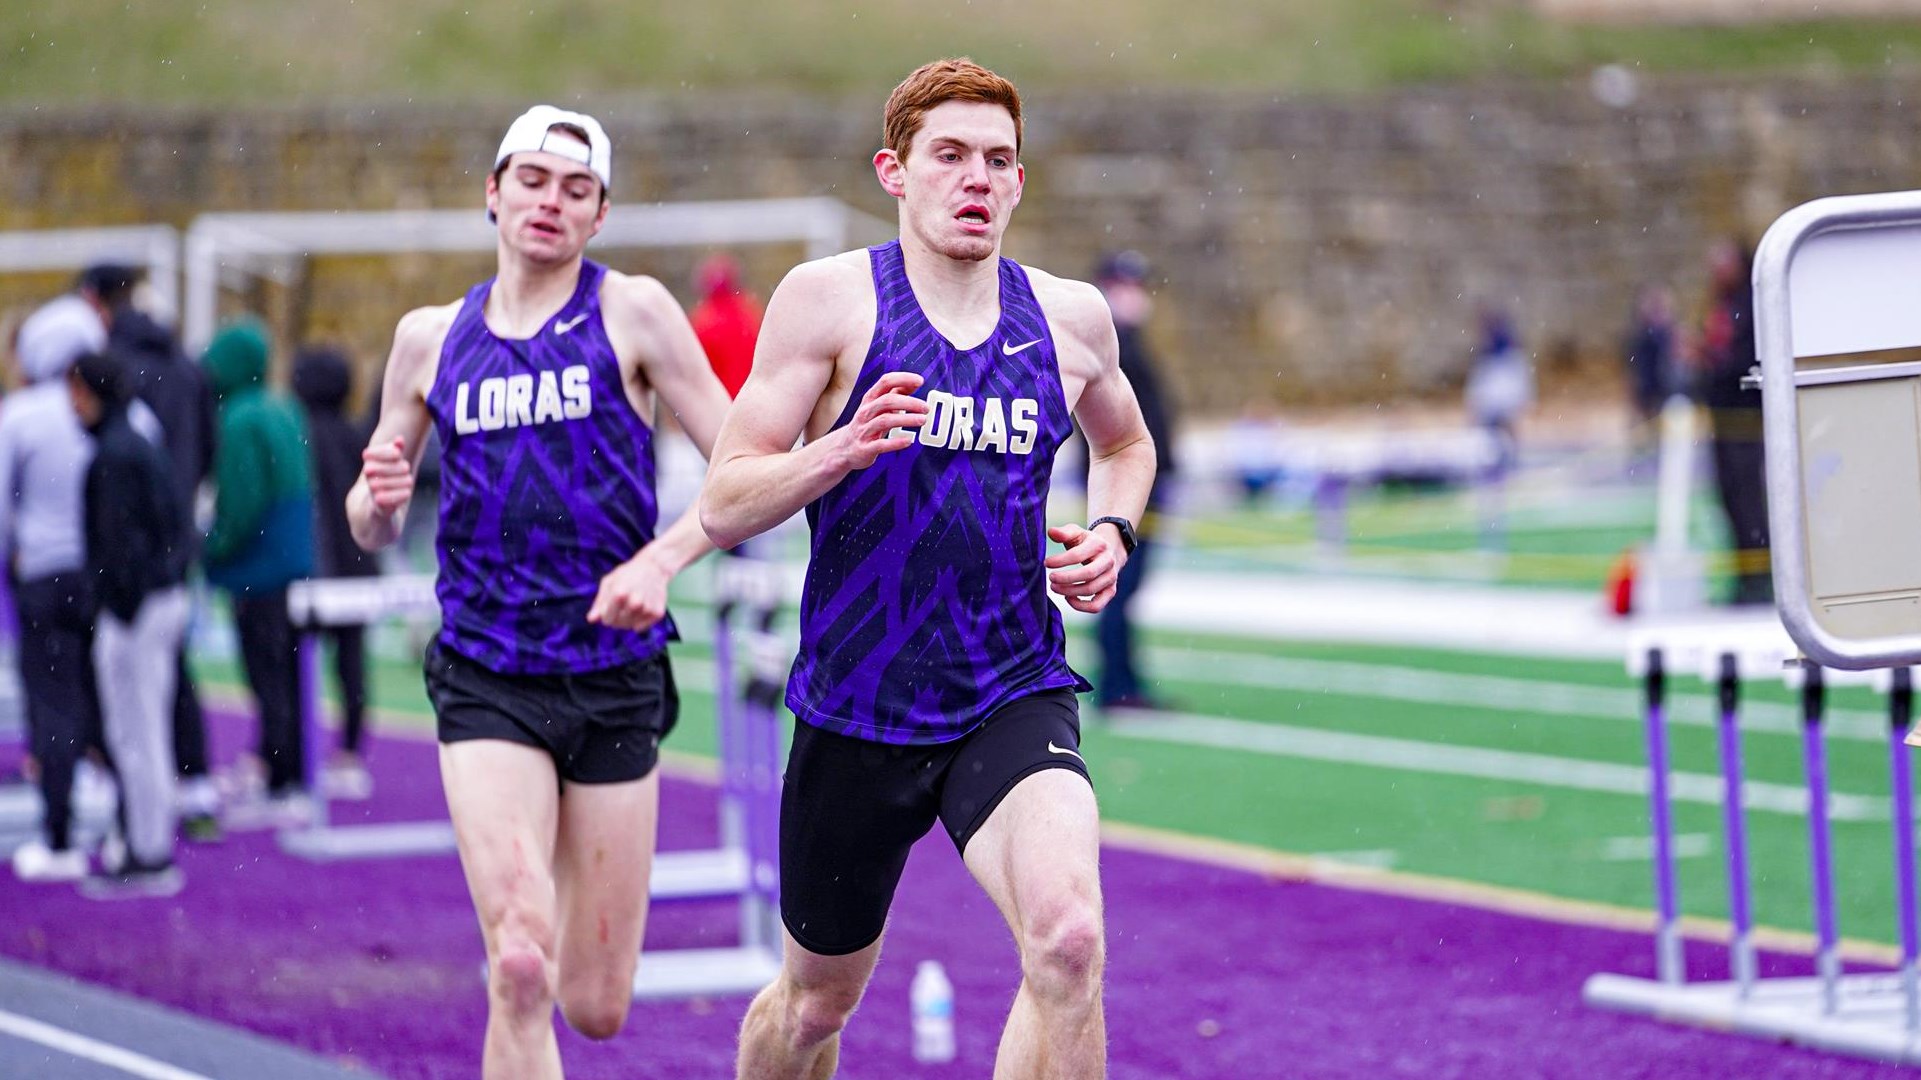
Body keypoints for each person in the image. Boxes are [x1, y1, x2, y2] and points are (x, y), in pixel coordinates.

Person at [701, 58, 1156, 1079]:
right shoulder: (827, 302)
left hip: (1009, 688)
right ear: (894, 172)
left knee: (1068, 941)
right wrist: (838, 450)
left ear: (1020, 182)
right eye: (949, 155)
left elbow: (1125, 446)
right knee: (815, 1006)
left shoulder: (1069, 320)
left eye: (998, 160)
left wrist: (1112, 531)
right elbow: (722, 502)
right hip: (858, 706)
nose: (976, 179)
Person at [345, 105, 731, 1079]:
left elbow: (742, 475)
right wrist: (377, 502)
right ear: (493, 192)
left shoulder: (633, 312)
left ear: (599, 215)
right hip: (487, 674)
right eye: (531, 180)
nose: (549, 202)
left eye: (575, 189)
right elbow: (371, 519)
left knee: (594, 1005)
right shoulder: (430, 338)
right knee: (518, 958)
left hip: (612, 675)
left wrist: (662, 561)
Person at [78, 263, 221, 841]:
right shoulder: (187, 367)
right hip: (172, 541)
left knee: (132, 706)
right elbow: (206, 451)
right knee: (172, 679)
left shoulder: (114, 376)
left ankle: (143, 834)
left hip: (131, 564)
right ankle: (195, 791)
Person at [69, 350, 191, 897]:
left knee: (137, 730)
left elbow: (122, 547)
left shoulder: (116, 453)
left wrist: (118, 608)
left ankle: (149, 850)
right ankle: (147, 844)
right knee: (143, 727)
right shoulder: (136, 439)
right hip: (157, 599)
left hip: (139, 608)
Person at [1, 295, 111, 882]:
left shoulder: (21, 415)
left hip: (42, 575)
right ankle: (124, 833)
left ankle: (61, 833)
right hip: (101, 578)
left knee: (52, 703)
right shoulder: (126, 411)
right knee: (108, 700)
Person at [200, 318, 316, 818]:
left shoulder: (239, 418)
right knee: (289, 674)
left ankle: (278, 777)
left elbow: (242, 501)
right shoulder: (283, 407)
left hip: (259, 567)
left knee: (265, 676)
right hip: (294, 562)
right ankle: (289, 774)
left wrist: (212, 547)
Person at [1093, 249, 1177, 713]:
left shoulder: (1129, 339)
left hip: (1150, 483)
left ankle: (1125, 681)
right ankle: (1117, 686)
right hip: (1131, 488)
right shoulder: (1111, 341)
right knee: (1118, 589)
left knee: (1127, 591)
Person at [293, 344, 379, 799]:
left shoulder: (300, 433)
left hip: (315, 566)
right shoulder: (356, 435)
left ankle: (293, 756)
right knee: (351, 662)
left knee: (299, 661)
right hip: (357, 563)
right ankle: (348, 752)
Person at [1695, 237, 1770, 606]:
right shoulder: (1722, 306)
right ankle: (1743, 575)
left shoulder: (1751, 306)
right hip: (1722, 421)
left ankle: (1761, 578)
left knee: (1750, 500)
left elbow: (1747, 363)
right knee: (1728, 501)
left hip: (1745, 422)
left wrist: (1713, 363)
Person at [1463, 304, 1532, 476]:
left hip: (1498, 396)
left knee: (1501, 429)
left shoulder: (1502, 355)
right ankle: (1504, 462)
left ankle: (1506, 462)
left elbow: (1490, 382)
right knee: (1496, 432)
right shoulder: (1496, 353)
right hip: (1496, 397)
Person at [690, 253, 762, 399]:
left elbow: (693, 367)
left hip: (718, 400)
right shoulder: (750, 312)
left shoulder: (704, 319)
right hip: (752, 395)